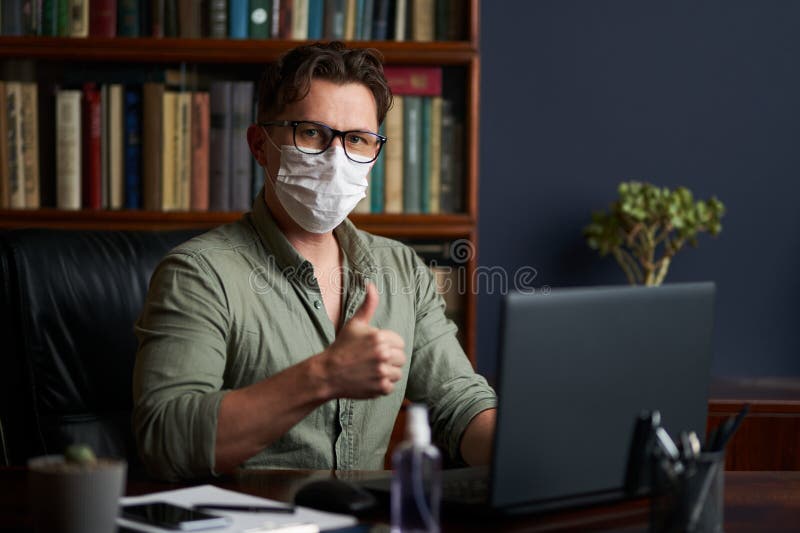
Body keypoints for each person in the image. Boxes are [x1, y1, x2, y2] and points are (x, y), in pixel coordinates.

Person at [132, 42, 496, 481]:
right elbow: (164, 439)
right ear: (259, 144)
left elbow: (459, 402)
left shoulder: (402, 270)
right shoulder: (198, 273)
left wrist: (525, 455)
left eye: (357, 139)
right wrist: (323, 376)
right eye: (311, 133)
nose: (336, 156)